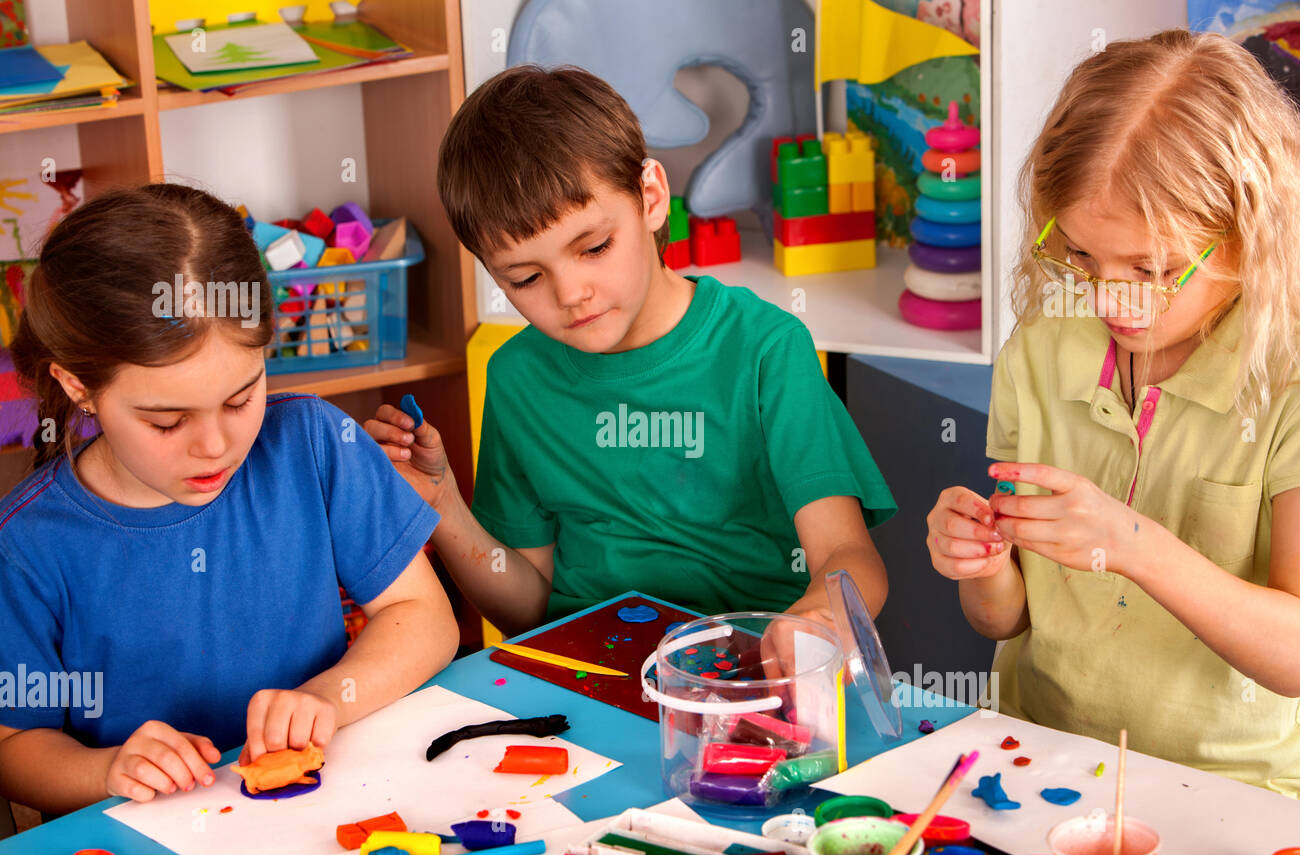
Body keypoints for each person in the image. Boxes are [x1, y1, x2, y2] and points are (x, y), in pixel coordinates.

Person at [366, 65, 896, 641]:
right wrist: (442, 503)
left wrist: (813, 624)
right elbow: (527, 608)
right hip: (594, 675)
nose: (570, 295)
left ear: (651, 198)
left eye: (593, 247)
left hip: (753, 665)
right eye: (525, 279)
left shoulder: (766, 349)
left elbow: (851, 560)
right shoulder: (516, 377)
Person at [0, 184, 458, 814]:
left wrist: (328, 697)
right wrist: (107, 770)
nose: (216, 446)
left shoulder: (315, 443)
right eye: (167, 421)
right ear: (79, 385)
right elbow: (16, 747)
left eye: (242, 398)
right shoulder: (28, 544)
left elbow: (425, 617)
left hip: (328, 809)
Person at [927, 30, 1300, 796]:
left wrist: (1133, 544)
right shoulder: (1042, 348)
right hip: (1038, 754)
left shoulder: (1286, 379)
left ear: (1248, 231)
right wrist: (983, 567)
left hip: (1230, 793)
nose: (1109, 301)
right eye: (1082, 257)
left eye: (1153, 270)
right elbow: (1004, 623)